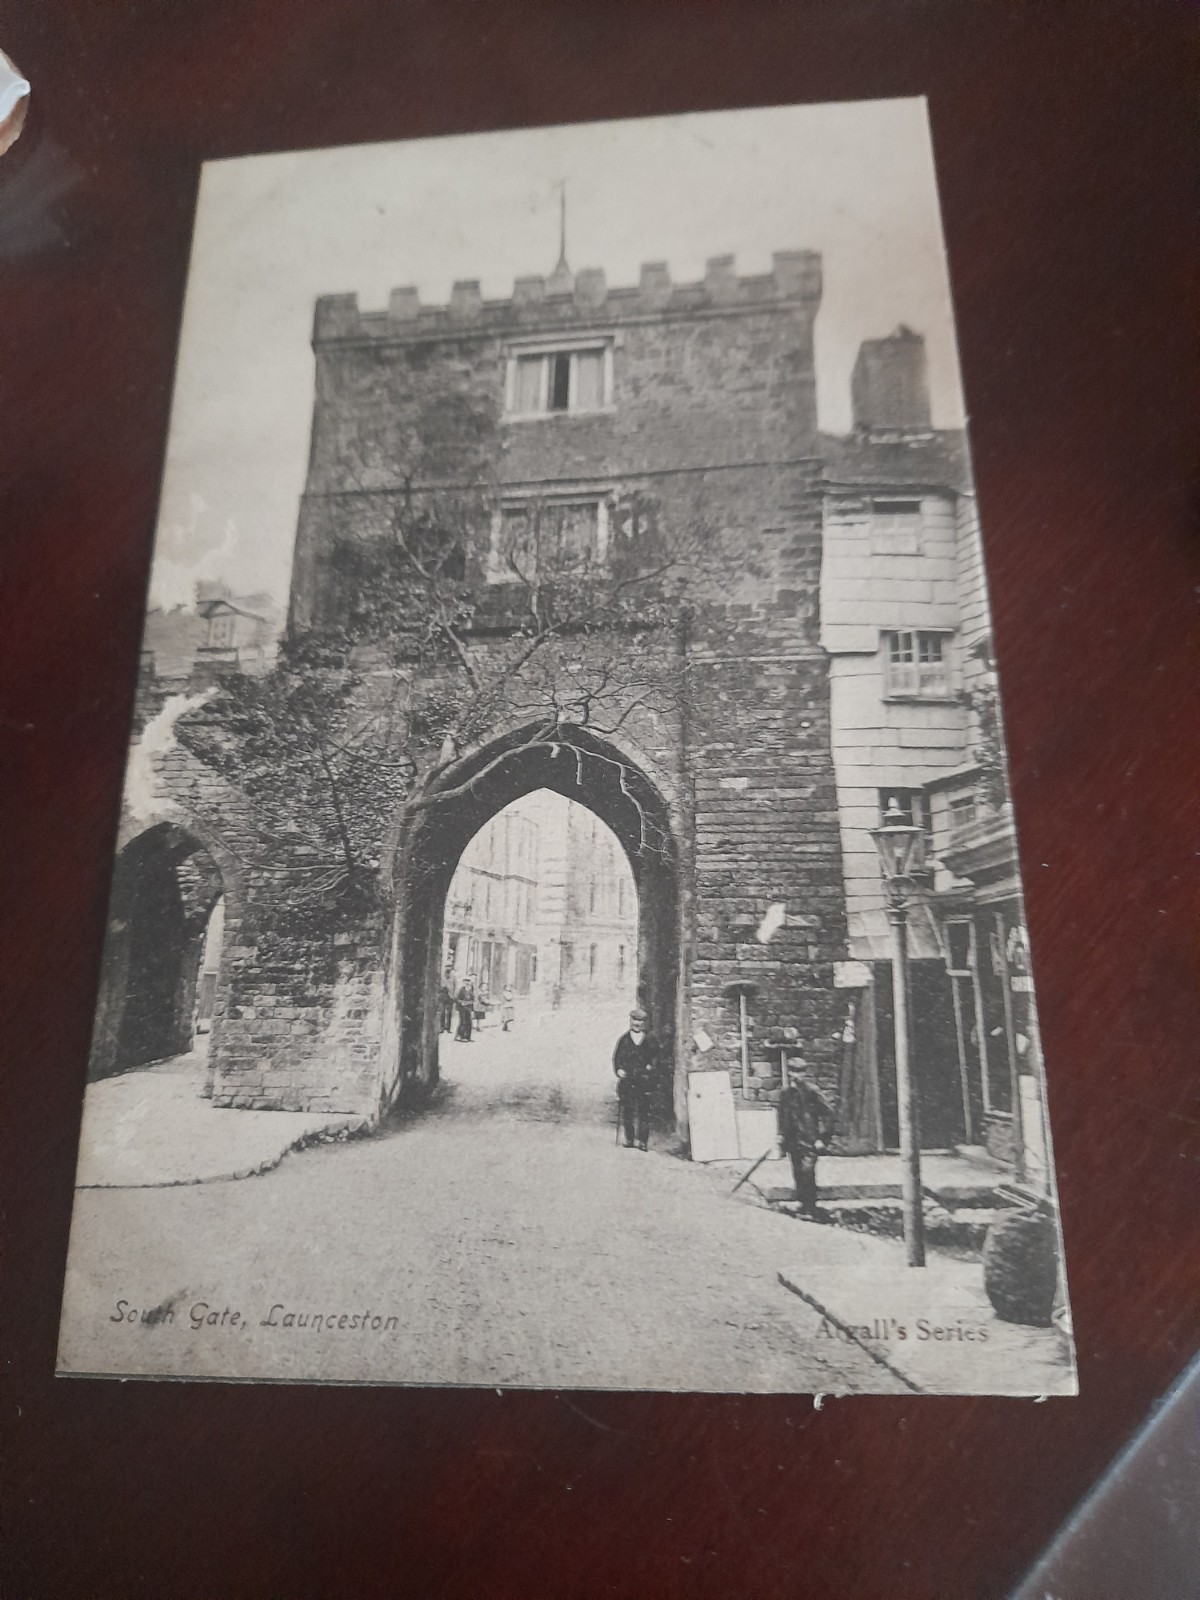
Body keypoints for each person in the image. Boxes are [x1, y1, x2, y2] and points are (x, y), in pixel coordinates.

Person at [777, 1060, 836, 1217]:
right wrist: (781, 1135)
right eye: (794, 1071)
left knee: (807, 1172)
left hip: (810, 1140)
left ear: (805, 1073)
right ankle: (803, 1206)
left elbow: (828, 1113)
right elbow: (782, 1116)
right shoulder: (785, 1093)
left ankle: (811, 1207)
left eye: (800, 1072)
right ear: (789, 1073)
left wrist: (822, 1138)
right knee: (797, 1172)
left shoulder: (812, 1091)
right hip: (793, 1141)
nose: (797, 1076)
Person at [613, 1005, 657, 1151]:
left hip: (644, 1081)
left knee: (644, 1111)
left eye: (640, 1021)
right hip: (628, 1080)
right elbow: (617, 1058)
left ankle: (643, 1141)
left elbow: (656, 1057)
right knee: (628, 1110)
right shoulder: (624, 1040)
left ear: (644, 1023)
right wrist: (619, 1070)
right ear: (630, 1021)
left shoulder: (650, 1040)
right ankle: (630, 1139)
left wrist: (651, 1066)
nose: (637, 1023)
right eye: (634, 1020)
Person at [455, 974, 475, 1042]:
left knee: (469, 1022)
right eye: (466, 981)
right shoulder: (461, 989)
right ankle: (461, 1036)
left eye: (468, 981)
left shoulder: (471, 989)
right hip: (462, 1008)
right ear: (463, 982)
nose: (467, 982)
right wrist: (461, 1002)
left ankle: (468, 1037)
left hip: (469, 1007)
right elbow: (457, 998)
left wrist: (471, 1003)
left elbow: (473, 998)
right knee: (463, 1021)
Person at [439, 967, 455, 1034]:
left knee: (449, 1013)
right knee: (442, 1012)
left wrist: (454, 995)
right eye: (447, 966)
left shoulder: (453, 976)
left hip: (450, 996)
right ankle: (441, 1027)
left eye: (449, 966)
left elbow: (455, 985)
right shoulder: (441, 976)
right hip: (442, 995)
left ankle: (448, 1028)